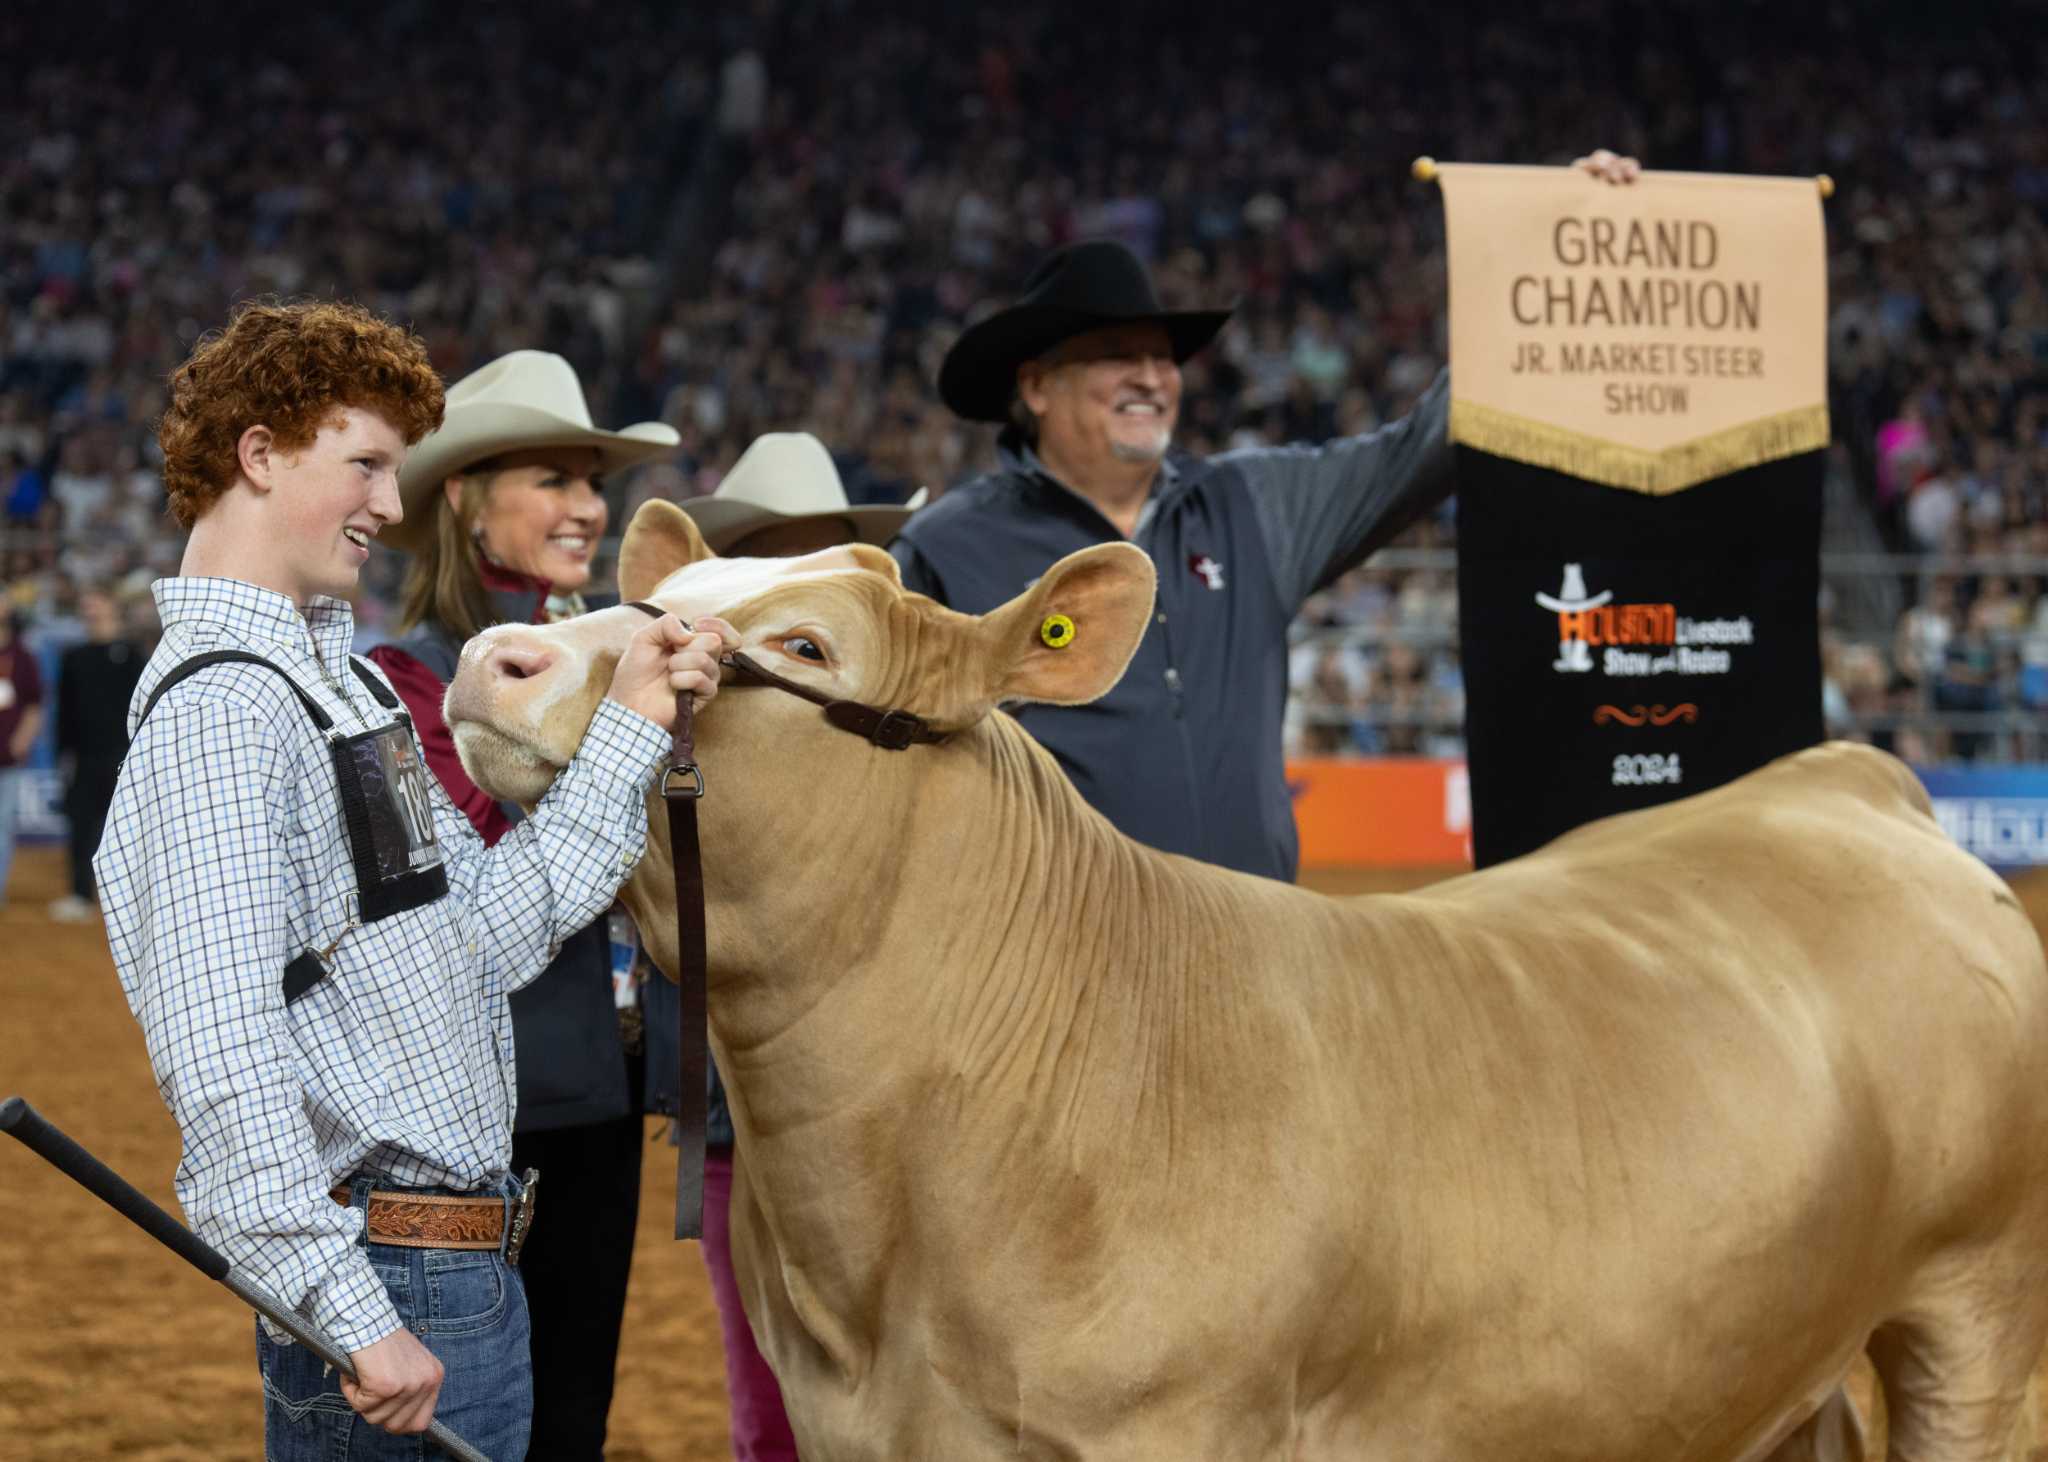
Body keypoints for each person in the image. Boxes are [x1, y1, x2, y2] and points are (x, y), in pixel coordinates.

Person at [93, 300, 734, 1459]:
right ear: (258, 453)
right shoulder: (222, 715)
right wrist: (347, 1314)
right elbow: (220, 1054)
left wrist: (633, 720)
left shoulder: (347, 692)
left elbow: (486, 932)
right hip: (390, 1286)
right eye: (368, 465)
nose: (391, 504)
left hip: (456, 1271)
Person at [893, 151, 1638, 882]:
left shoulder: (1251, 503)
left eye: (1164, 357)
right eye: (1117, 355)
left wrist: (1562, 245)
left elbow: (1426, 446)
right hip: (1064, 972)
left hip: (1254, 960)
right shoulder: (949, 548)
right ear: (1038, 386)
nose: (1152, 377)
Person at [365, 348, 682, 1459]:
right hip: (470, 1120)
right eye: (551, 477)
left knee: (572, 1418)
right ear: (463, 498)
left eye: (592, 481)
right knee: (465, 1428)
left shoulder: (610, 649)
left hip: (594, 1088)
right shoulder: (400, 680)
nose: (587, 507)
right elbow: (473, 875)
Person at [676, 431, 922, 1462]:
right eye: (778, 556)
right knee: (775, 1407)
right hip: (769, 1117)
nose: (802, 579)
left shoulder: (889, 712)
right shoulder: (687, 707)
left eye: (819, 557)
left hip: (903, 1112)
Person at [50, 587, 143, 921]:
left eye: (97, 600)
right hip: (84, 759)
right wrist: (64, 755)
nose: (90, 608)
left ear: (113, 606)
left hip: (124, 758)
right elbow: (64, 713)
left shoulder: (133, 655)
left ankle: (131, 906)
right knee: (81, 828)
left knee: (129, 834)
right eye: (85, 603)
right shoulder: (73, 657)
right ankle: (79, 895)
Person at [0, 602, 44, 906]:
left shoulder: (22, 656)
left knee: (2, 825)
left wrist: (23, 740)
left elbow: (34, 704)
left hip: (7, 758)